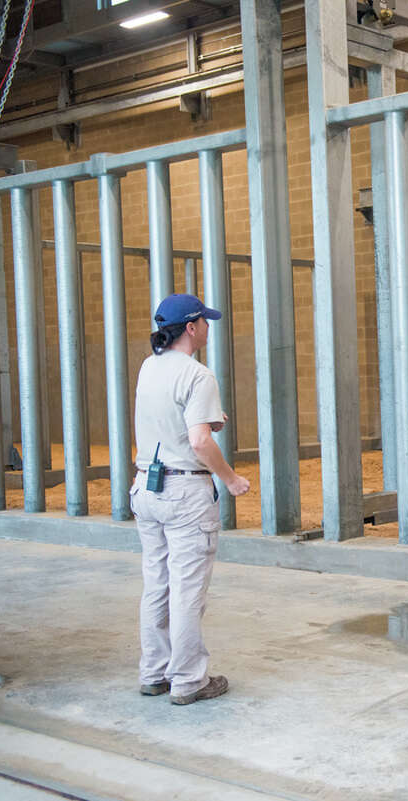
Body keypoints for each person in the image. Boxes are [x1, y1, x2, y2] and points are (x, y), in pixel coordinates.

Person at [129, 293, 251, 705]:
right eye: (205, 321)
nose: (209, 328)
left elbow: (173, 422)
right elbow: (199, 442)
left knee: (157, 585)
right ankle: (188, 681)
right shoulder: (198, 375)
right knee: (186, 589)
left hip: (147, 486)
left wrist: (208, 421)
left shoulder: (150, 367)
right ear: (193, 327)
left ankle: (155, 672)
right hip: (184, 493)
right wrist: (230, 478)